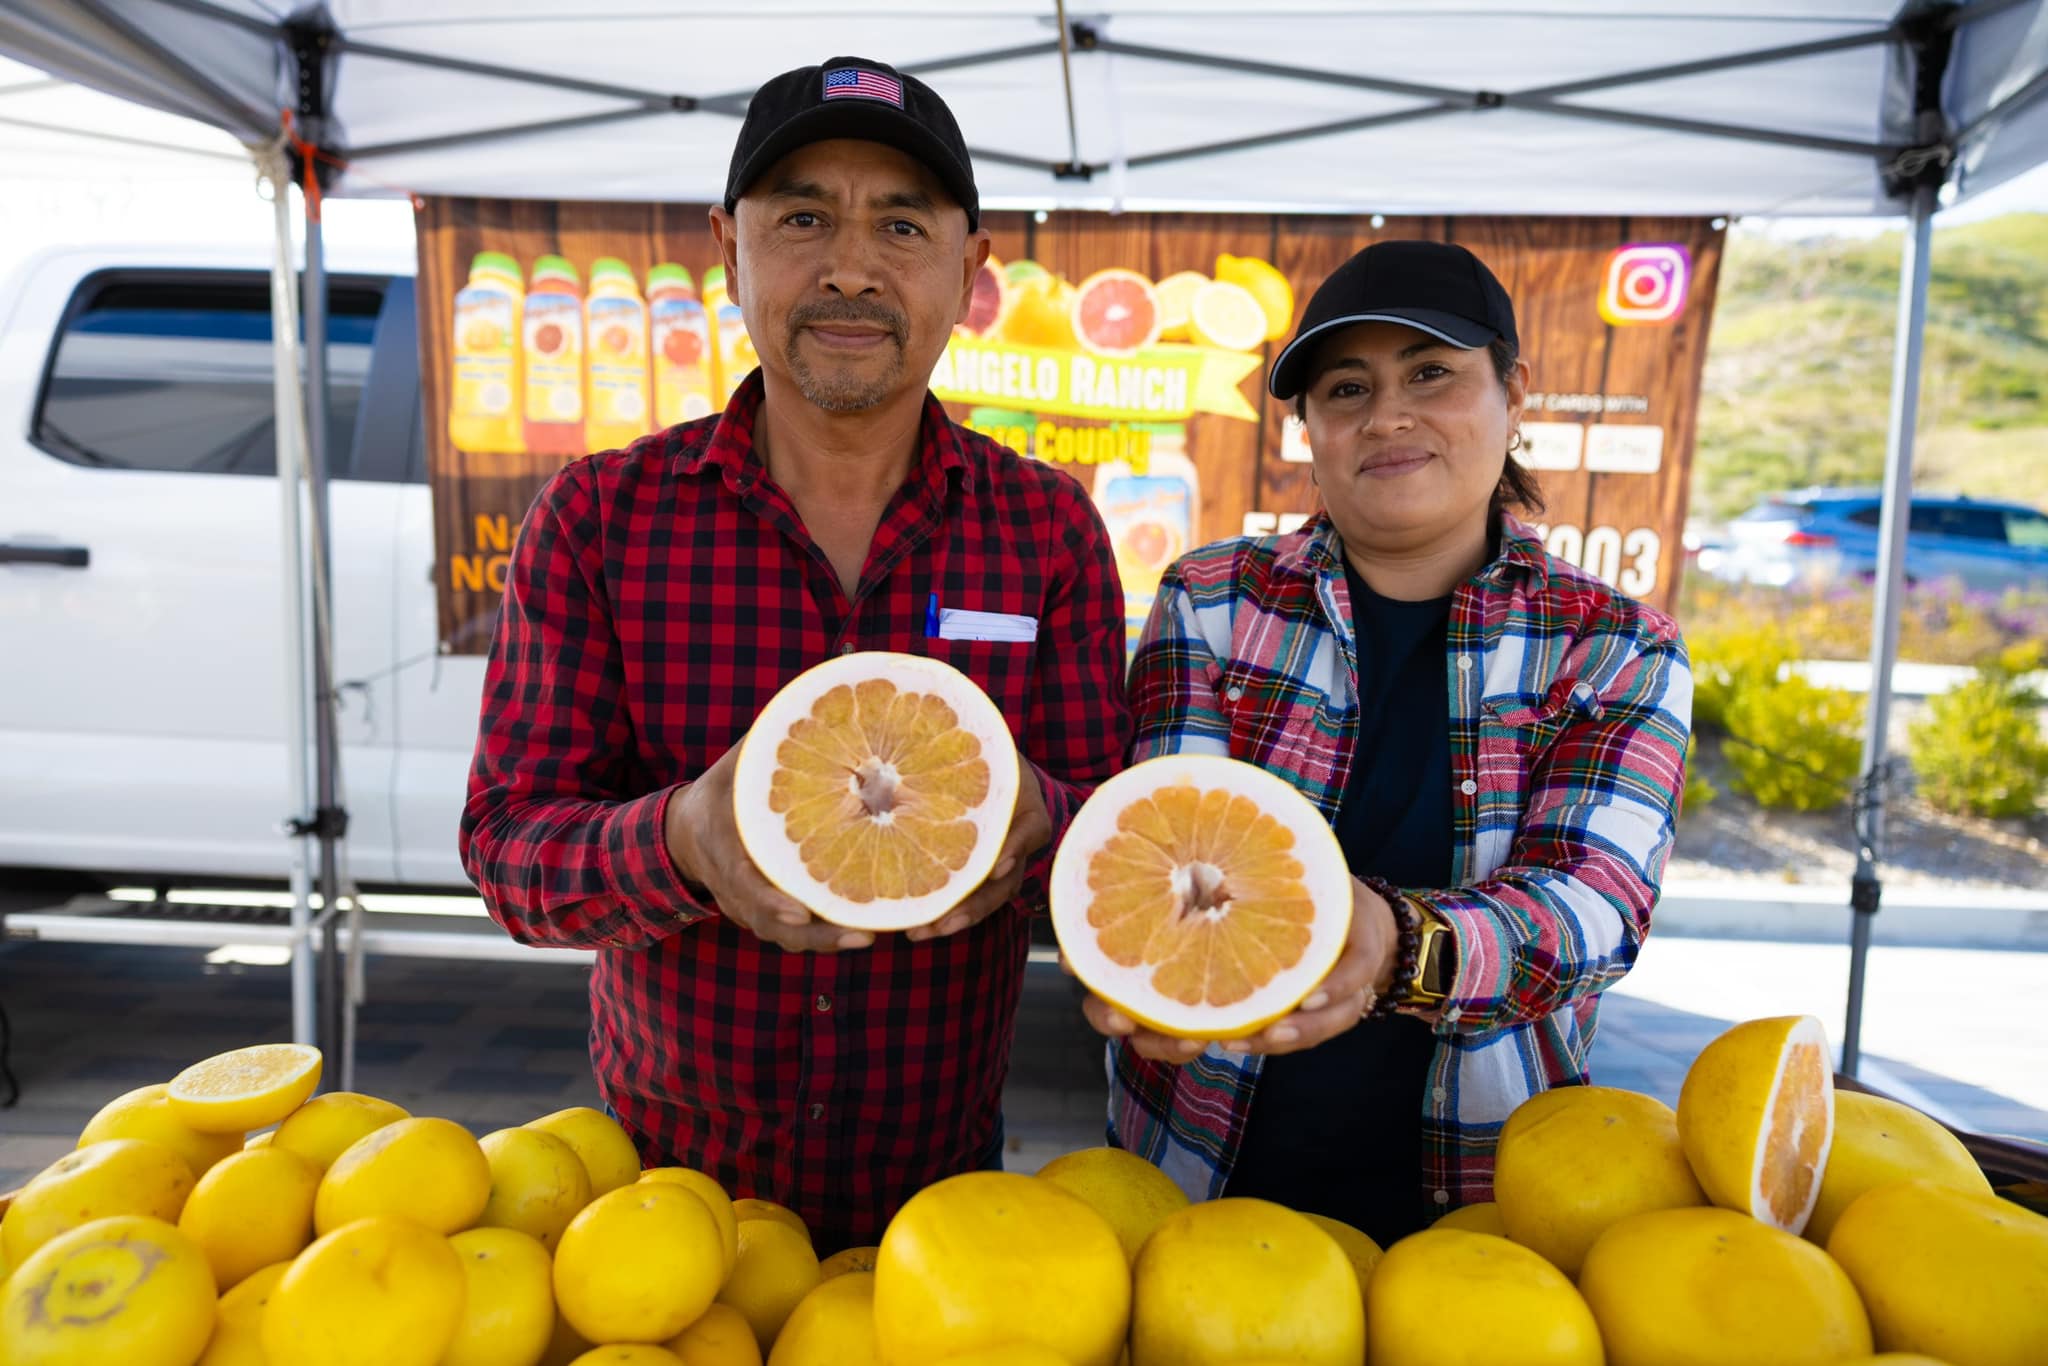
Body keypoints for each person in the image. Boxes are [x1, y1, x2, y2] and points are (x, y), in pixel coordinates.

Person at [461, 56, 1132, 1253]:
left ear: (970, 270)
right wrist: (683, 840)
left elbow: (1104, 845)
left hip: (940, 1217)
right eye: (804, 217)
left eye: (902, 224)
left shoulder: (1046, 530)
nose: (850, 267)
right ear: (728, 247)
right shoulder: (601, 517)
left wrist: (1035, 821)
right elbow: (509, 848)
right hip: (661, 1214)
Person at [1082, 240, 1691, 1246]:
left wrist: (1392, 947)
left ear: (1515, 392)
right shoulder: (1211, 601)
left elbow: (1594, 906)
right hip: (1198, 1184)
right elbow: (1167, 841)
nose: (1387, 415)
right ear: (1309, 427)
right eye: (1346, 387)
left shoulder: (1615, 645)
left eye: (1430, 373)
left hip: (1486, 1211)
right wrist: (1142, 955)